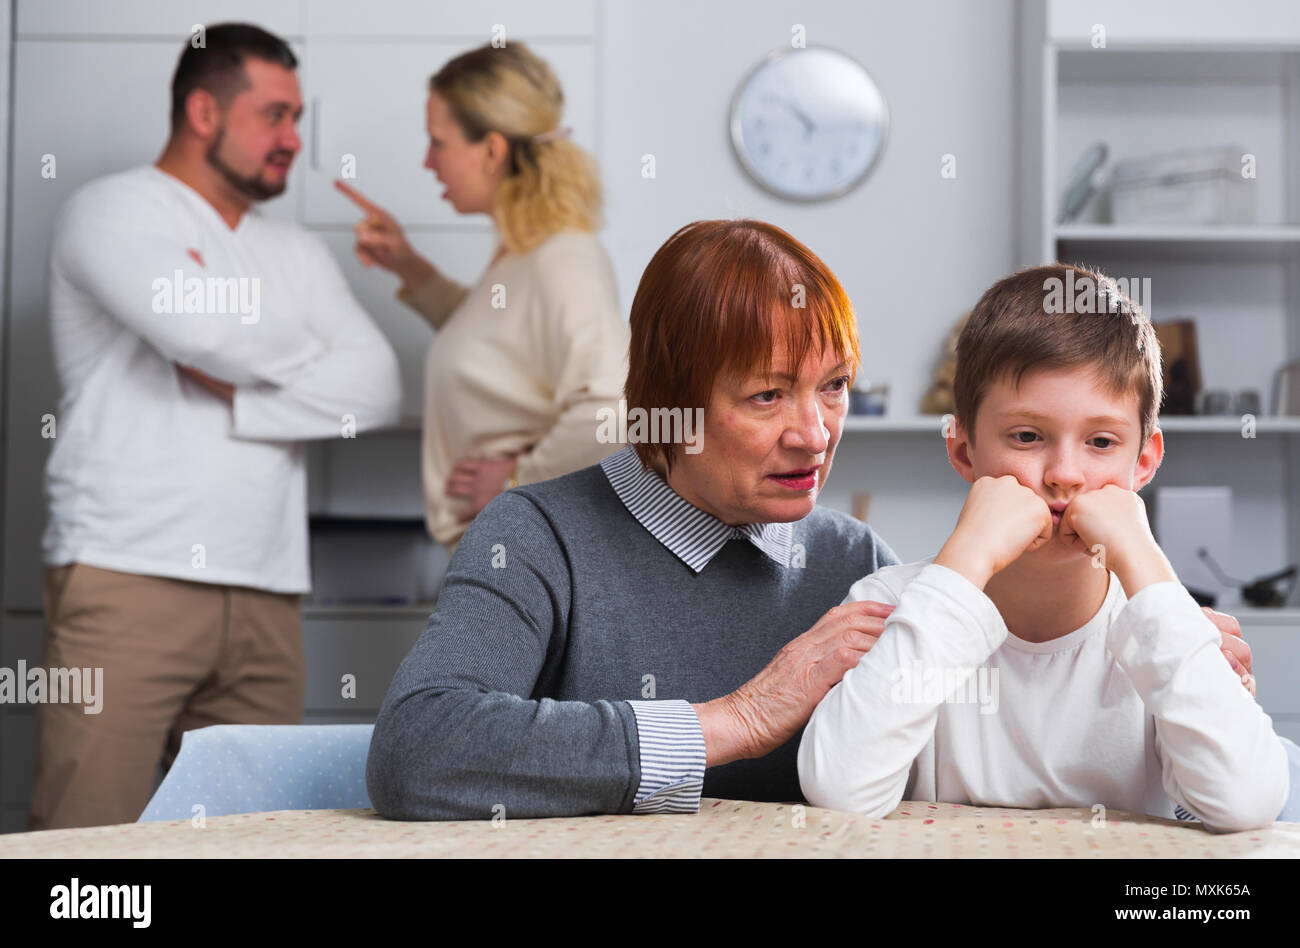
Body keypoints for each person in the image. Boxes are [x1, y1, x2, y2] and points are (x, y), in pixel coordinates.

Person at [365, 226, 1255, 820]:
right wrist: (738, 718)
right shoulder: (538, 536)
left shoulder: (853, 561)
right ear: (667, 407)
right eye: (767, 395)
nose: (815, 432)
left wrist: (1180, 653)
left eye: (832, 387)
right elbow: (419, 749)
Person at [30, 23, 402, 830]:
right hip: (127, 578)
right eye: (274, 116)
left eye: (297, 119)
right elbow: (199, 333)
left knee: (258, 840)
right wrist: (304, 349)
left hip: (266, 591)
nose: (293, 141)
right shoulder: (109, 210)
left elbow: (373, 385)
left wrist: (245, 396)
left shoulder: (295, 248)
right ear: (203, 111)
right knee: (86, 834)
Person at [798, 263, 1293, 832]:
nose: (1063, 474)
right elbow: (839, 787)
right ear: (963, 451)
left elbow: (1248, 802)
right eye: (1027, 437)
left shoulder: (1167, 628)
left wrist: (1145, 563)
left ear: (1145, 461)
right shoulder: (894, 604)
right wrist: (967, 558)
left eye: (1101, 442)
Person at [336, 41, 627, 553]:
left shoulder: (563, 258)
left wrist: (516, 481)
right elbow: (493, 349)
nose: (428, 162)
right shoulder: (522, 256)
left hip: (521, 556)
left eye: (437, 142)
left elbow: (613, 407)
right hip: (501, 553)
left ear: (491, 150)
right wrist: (409, 266)